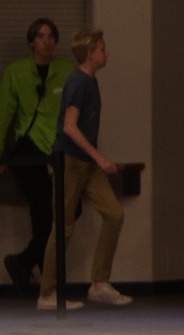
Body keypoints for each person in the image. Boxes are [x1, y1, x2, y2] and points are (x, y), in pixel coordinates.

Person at [39, 28, 133, 311]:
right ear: (90, 53)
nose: (106, 53)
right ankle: (47, 293)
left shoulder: (90, 82)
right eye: (102, 48)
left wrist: (94, 159)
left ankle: (100, 283)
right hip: (68, 160)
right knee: (63, 227)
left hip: (86, 162)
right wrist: (100, 158)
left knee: (114, 215)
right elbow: (69, 127)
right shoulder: (78, 82)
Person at [0, 18, 74, 293]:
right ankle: (41, 273)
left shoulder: (67, 71)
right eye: (41, 36)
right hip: (29, 146)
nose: (47, 41)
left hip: (59, 148)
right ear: (31, 42)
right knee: (41, 211)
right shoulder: (17, 72)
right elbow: (2, 113)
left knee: (71, 208)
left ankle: (24, 261)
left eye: (51, 36)